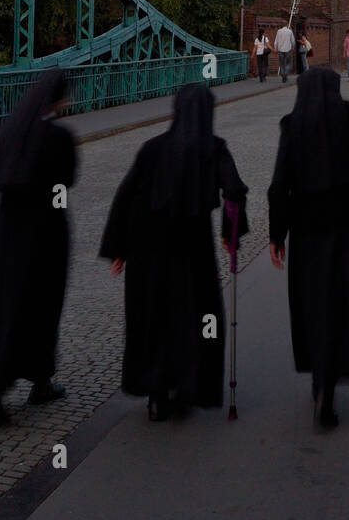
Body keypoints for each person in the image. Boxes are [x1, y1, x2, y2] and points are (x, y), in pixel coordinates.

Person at [99, 84, 248, 421]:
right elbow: (235, 189)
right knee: (196, 317)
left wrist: (118, 247)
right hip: (192, 247)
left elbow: (125, 196)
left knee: (152, 316)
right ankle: (186, 387)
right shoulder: (214, 147)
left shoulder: (151, 148)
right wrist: (231, 234)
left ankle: (155, 392)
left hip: (147, 247)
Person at [268, 68, 349, 429]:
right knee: (347, 302)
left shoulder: (293, 124)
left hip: (308, 235)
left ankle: (321, 381)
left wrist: (277, 235)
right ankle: (335, 375)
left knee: (316, 307)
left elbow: (280, 185)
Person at [0, 70, 76, 427]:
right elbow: (66, 182)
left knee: (2, 308)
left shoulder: (11, 129)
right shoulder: (58, 136)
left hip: (5, 234)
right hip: (45, 234)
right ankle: (40, 381)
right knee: (41, 307)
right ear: (58, 99)